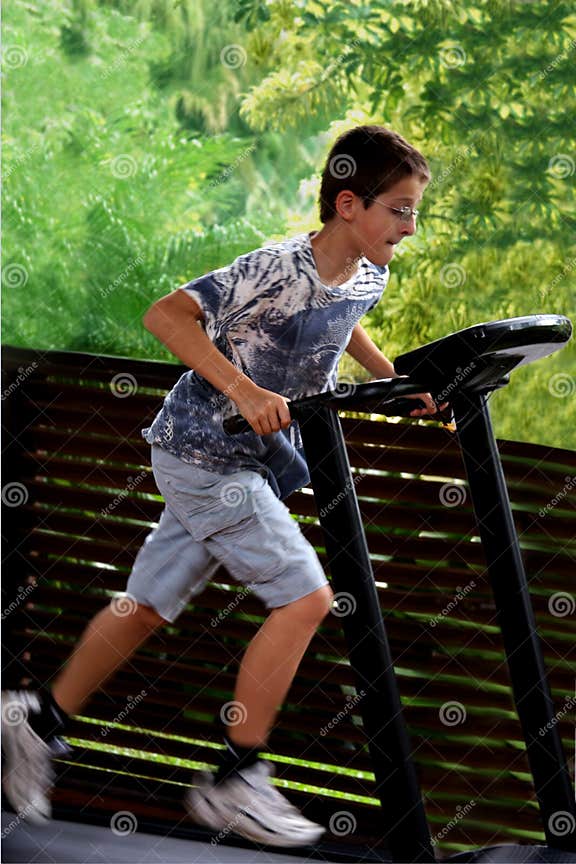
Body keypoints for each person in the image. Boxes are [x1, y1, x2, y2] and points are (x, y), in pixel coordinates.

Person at [1, 124, 440, 848]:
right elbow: (165, 315)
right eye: (399, 208)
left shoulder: (368, 272)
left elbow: (347, 323)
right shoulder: (275, 266)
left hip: (247, 462)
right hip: (204, 453)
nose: (410, 226)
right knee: (306, 598)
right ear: (349, 204)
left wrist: (397, 382)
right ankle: (236, 776)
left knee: (144, 608)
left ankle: (34, 723)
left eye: (414, 210)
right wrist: (241, 388)